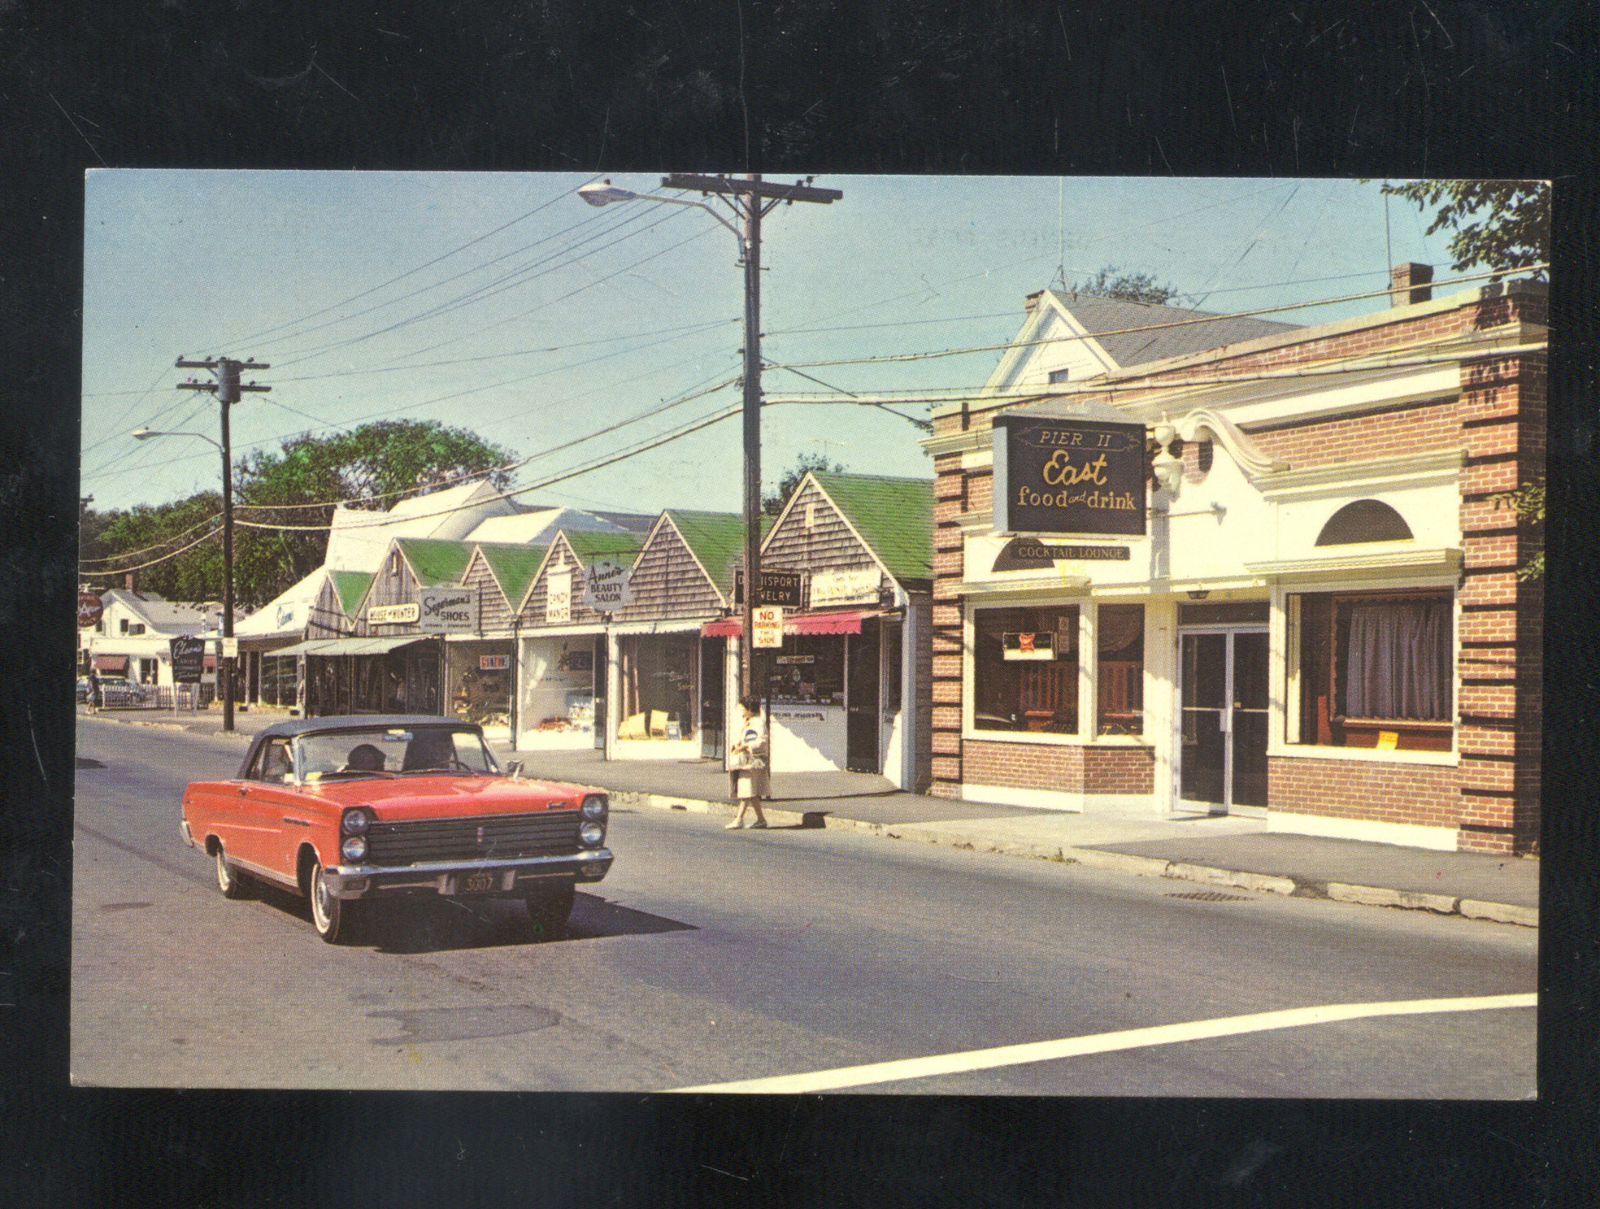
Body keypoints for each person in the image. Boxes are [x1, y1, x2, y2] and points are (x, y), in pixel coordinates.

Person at [726, 695, 770, 830]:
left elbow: (760, 741)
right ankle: (761, 820)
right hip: (746, 761)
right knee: (751, 791)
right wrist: (738, 745)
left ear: (750, 709)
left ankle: (738, 820)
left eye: (744, 709)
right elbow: (746, 737)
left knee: (746, 790)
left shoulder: (758, 722)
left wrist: (744, 746)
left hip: (752, 762)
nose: (742, 712)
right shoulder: (749, 721)